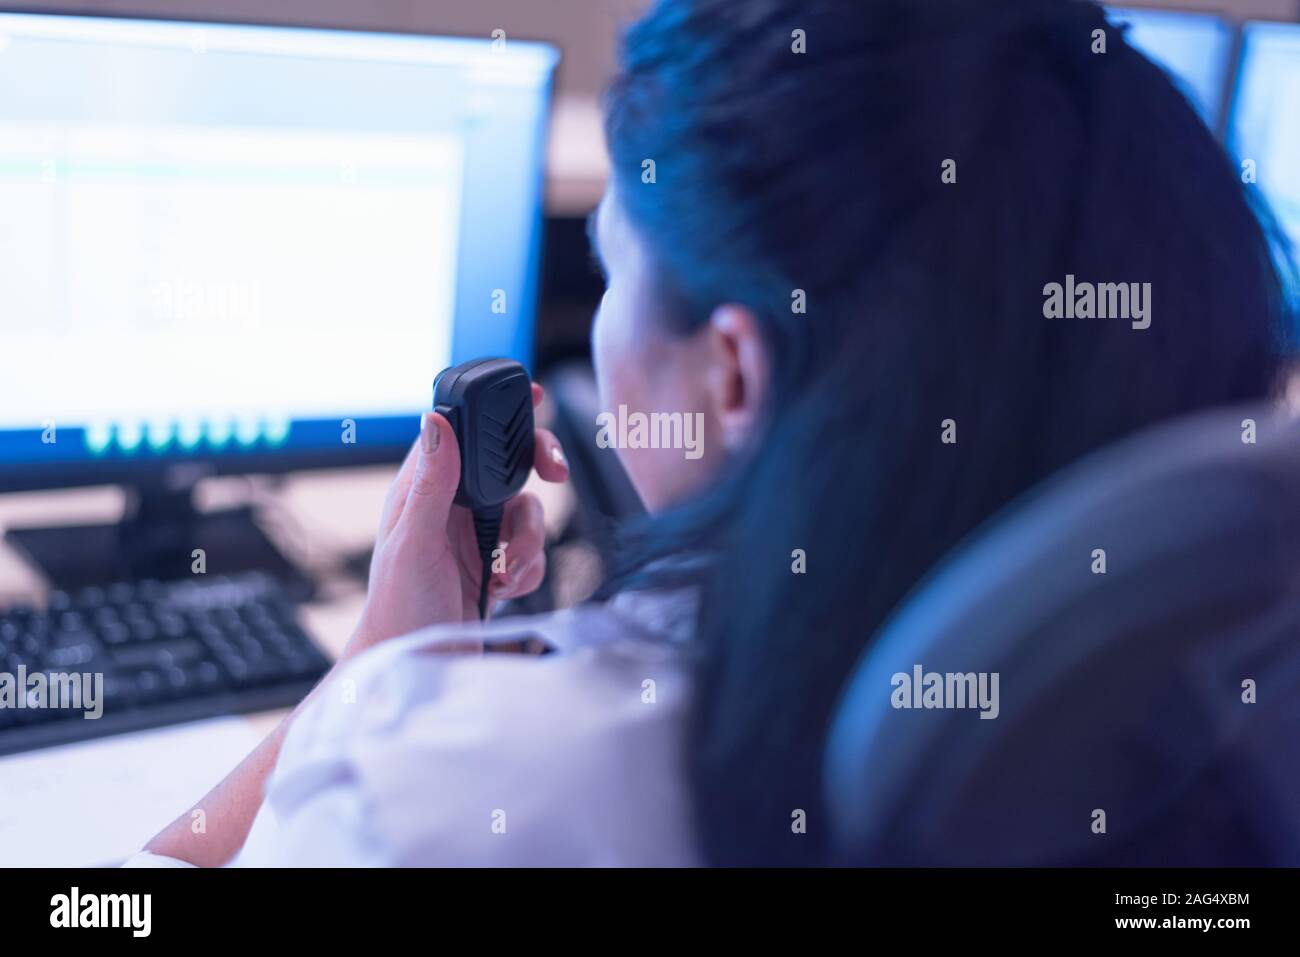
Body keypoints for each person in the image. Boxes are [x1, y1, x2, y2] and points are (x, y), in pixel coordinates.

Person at [132, 0, 1294, 867]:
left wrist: (375, 666)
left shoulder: (460, 781)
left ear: (732, 372)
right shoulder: (1210, 728)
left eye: (612, 273)